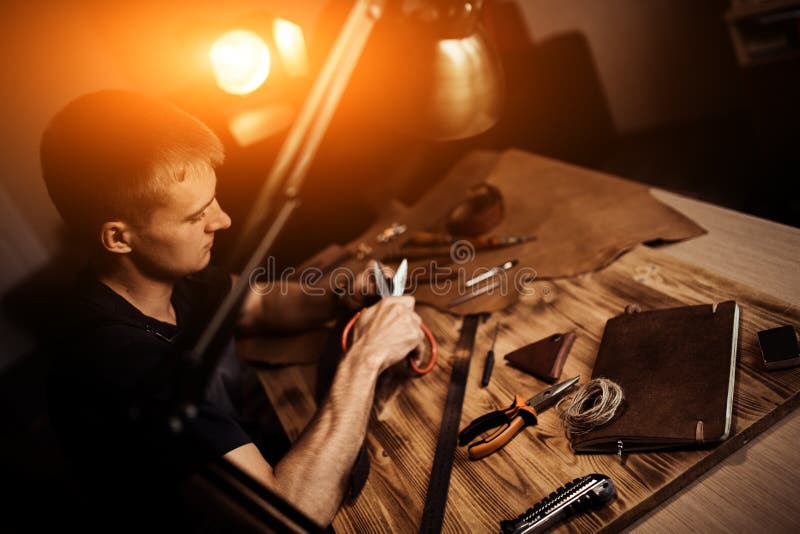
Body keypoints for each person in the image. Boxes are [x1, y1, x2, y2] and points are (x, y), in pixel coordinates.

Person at [41, 90, 425, 529]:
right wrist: (367, 357)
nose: (222, 221)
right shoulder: (122, 369)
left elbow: (257, 304)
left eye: (214, 201)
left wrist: (340, 295)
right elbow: (285, 517)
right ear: (118, 238)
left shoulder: (169, 273)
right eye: (195, 217)